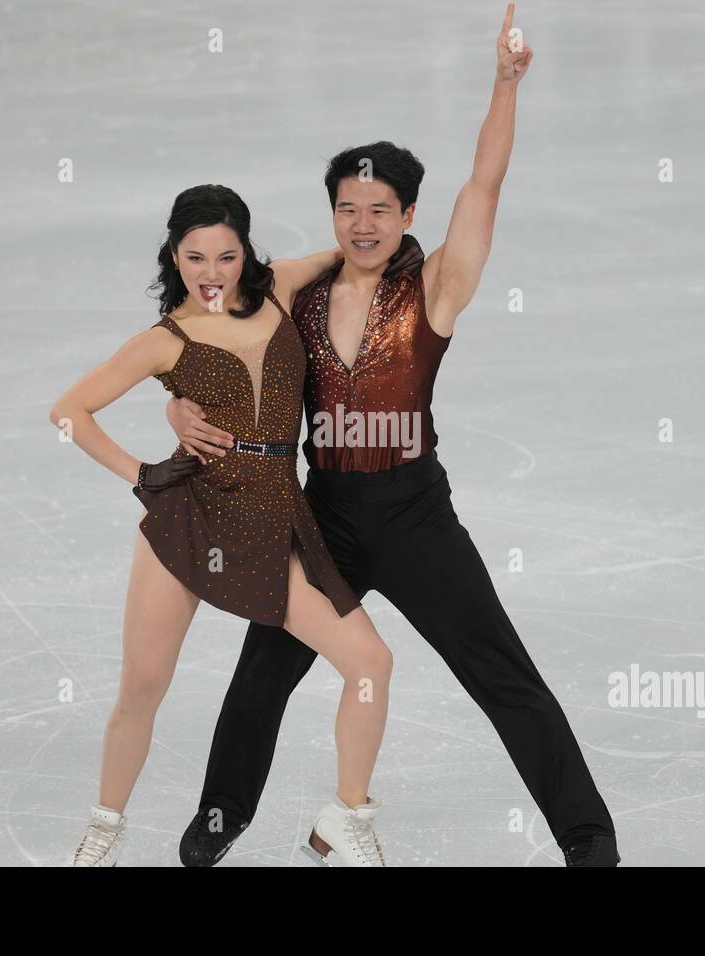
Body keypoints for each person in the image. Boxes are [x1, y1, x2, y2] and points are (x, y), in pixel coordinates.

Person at [169, 5, 621, 867]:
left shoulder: (435, 289)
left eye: (381, 208)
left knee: (503, 676)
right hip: (323, 516)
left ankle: (588, 838)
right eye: (348, 208)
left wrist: (504, 86)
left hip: (415, 516)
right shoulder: (296, 299)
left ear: (408, 212)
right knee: (262, 672)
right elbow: (211, 351)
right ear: (332, 214)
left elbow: (483, 187)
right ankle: (222, 815)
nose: (364, 223)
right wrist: (177, 411)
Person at [50, 184, 413, 867]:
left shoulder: (277, 288)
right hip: (189, 520)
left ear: (246, 251)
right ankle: (104, 828)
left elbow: (353, 250)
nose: (211, 272)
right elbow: (68, 411)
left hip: (275, 517)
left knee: (370, 662)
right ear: (174, 257)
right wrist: (139, 472)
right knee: (142, 688)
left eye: (225, 254)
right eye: (195, 257)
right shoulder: (163, 341)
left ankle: (347, 816)